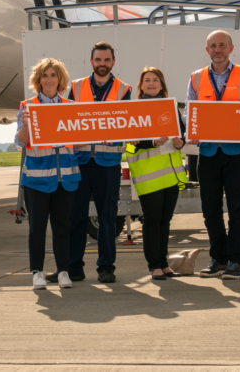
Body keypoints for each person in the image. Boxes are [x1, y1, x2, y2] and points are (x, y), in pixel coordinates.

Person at [186, 30, 240, 280]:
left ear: (231, 48)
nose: (217, 50)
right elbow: (190, 112)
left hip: (238, 151)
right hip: (208, 151)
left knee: (237, 209)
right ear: (207, 50)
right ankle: (218, 259)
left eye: (222, 45)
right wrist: (192, 130)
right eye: (213, 46)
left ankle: (237, 261)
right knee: (210, 210)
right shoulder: (196, 77)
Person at [66, 41, 132, 284]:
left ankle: (106, 267)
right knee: (76, 216)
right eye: (98, 60)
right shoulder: (76, 87)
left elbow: (126, 124)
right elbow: (68, 120)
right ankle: (74, 267)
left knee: (107, 217)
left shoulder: (124, 90)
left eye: (106, 60)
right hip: (80, 161)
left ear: (113, 62)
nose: (102, 64)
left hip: (108, 162)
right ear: (91, 61)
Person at [15, 58, 81, 290]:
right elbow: (20, 142)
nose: (49, 80)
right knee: (37, 229)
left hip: (65, 179)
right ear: (38, 80)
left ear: (60, 79)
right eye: (45, 75)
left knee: (62, 228)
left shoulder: (71, 106)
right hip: (37, 179)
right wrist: (26, 125)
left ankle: (63, 271)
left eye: (53, 75)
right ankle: (37, 272)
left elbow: (78, 142)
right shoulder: (27, 106)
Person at [125, 67, 187, 280]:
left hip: (170, 175)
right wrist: (152, 142)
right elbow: (130, 144)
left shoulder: (171, 107)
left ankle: (164, 264)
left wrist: (180, 143)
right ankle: (154, 266)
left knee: (165, 221)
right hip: (149, 176)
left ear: (162, 84)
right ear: (141, 86)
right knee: (152, 221)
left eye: (155, 80)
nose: (151, 83)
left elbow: (181, 136)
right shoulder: (134, 110)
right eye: (147, 80)